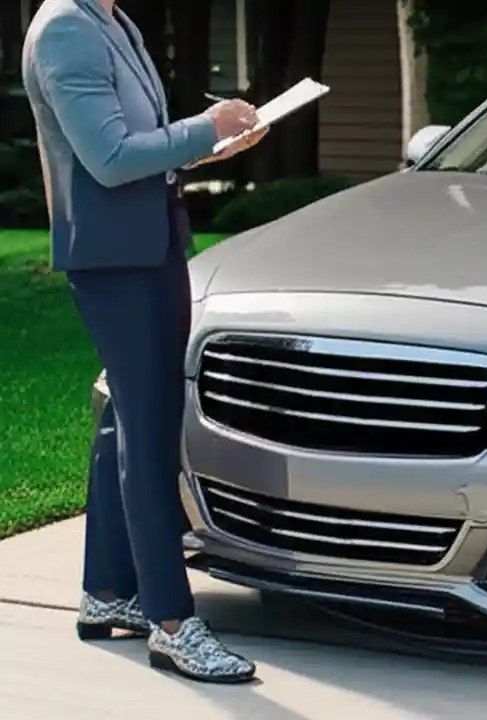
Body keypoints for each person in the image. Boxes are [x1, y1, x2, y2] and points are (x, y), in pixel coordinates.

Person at [23, 0, 268, 684]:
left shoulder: (112, 19)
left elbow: (142, 138)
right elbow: (106, 158)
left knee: (125, 420)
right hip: (112, 261)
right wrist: (202, 130)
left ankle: (107, 590)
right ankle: (170, 622)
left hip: (149, 245)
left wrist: (216, 142)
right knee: (149, 430)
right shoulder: (67, 29)